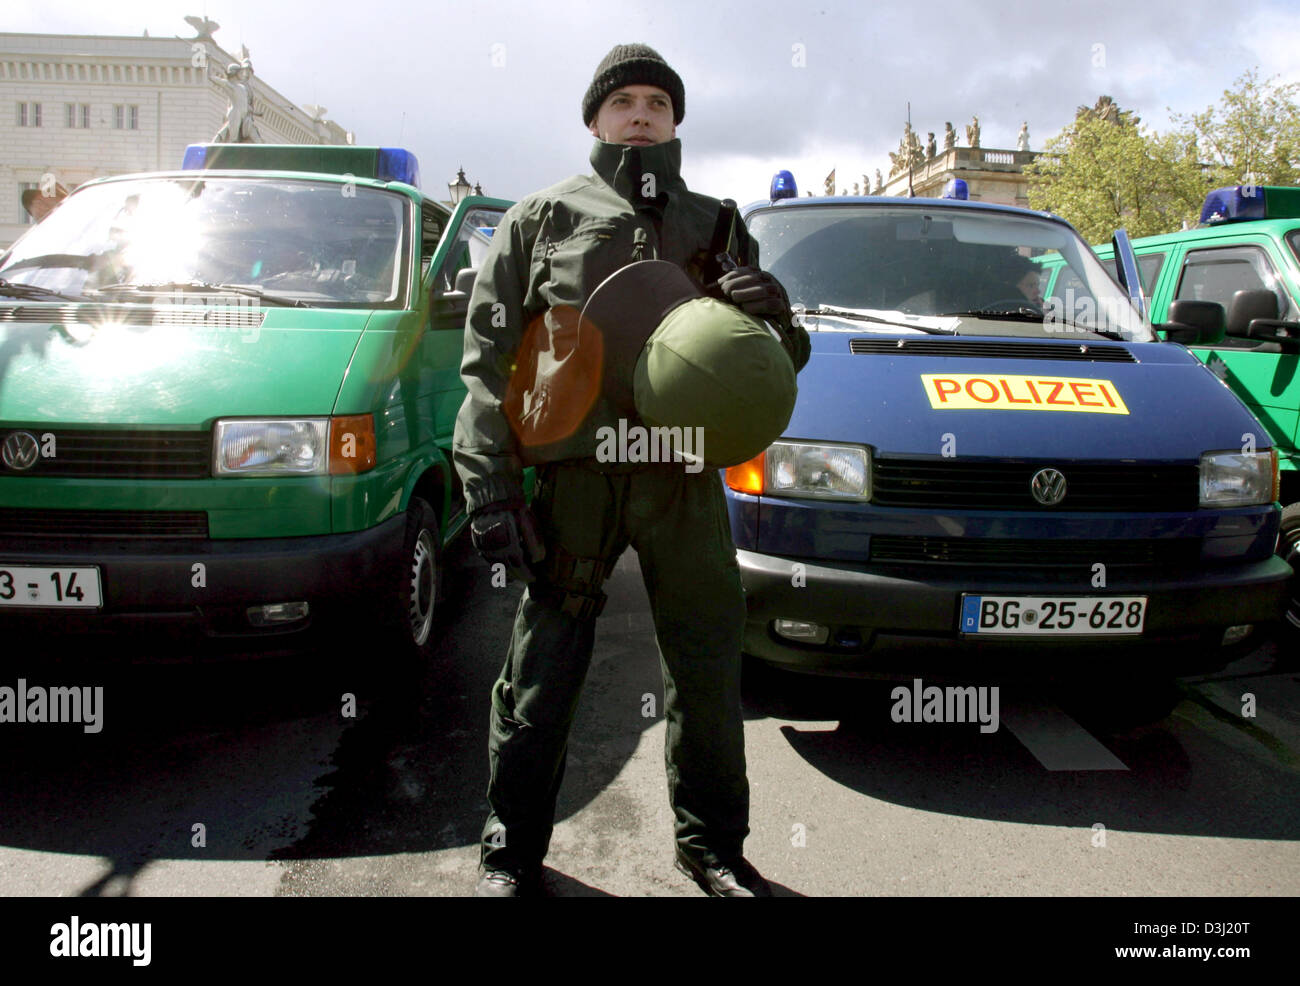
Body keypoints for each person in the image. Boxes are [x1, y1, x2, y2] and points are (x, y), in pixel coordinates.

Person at [454, 43, 808, 897]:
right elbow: (488, 360)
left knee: (708, 667)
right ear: (595, 120)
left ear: (676, 120)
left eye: (657, 101)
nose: (641, 114)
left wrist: (778, 314)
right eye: (624, 103)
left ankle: (711, 847)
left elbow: (770, 366)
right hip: (579, 477)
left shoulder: (719, 222)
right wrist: (490, 487)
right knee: (542, 672)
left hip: (681, 475)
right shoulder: (540, 218)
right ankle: (511, 851)